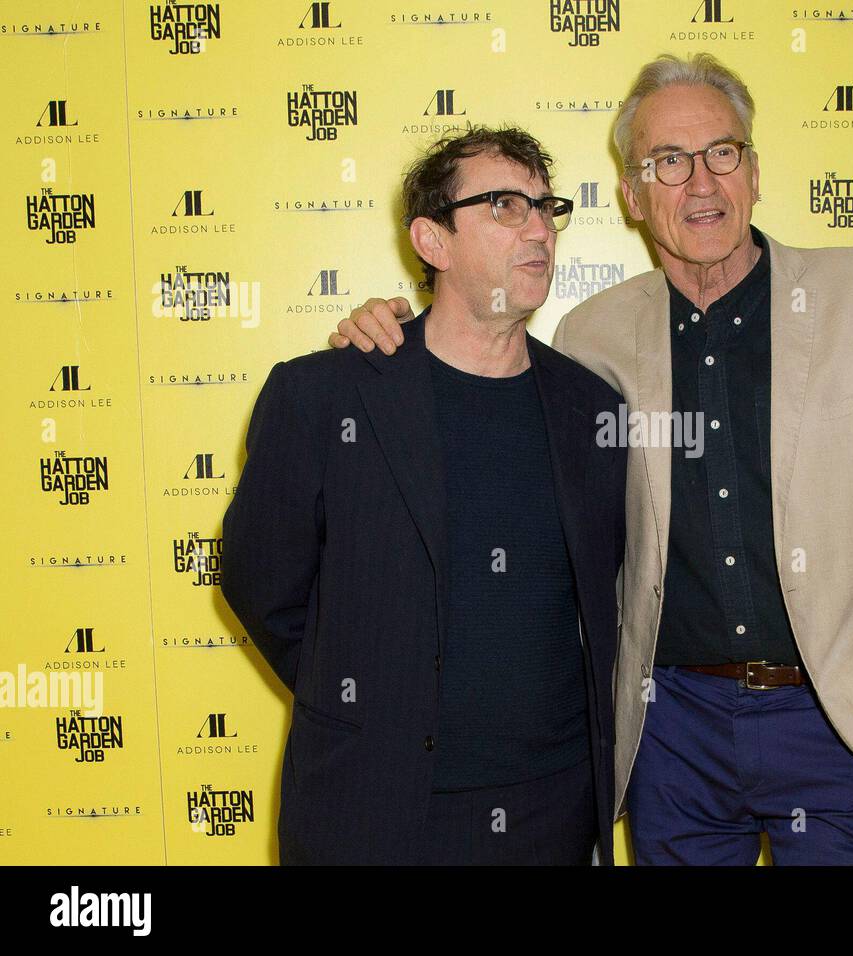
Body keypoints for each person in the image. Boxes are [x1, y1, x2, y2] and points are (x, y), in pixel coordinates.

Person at [330, 54, 853, 865]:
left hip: (845, 723)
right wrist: (388, 332)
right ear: (634, 197)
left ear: (754, 172)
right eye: (668, 162)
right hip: (673, 731)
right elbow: (475, 378)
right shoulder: (591, 339)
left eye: (723, 152)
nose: (701, 183)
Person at [221, 126, 627, 865]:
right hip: (372, 810)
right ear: (431, 240)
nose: (538, 228)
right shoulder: (323, 396)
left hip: (552, 816)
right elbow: (262, 584)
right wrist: (368, 692)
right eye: (505, 205)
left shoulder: (593, 410)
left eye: (546, 206)